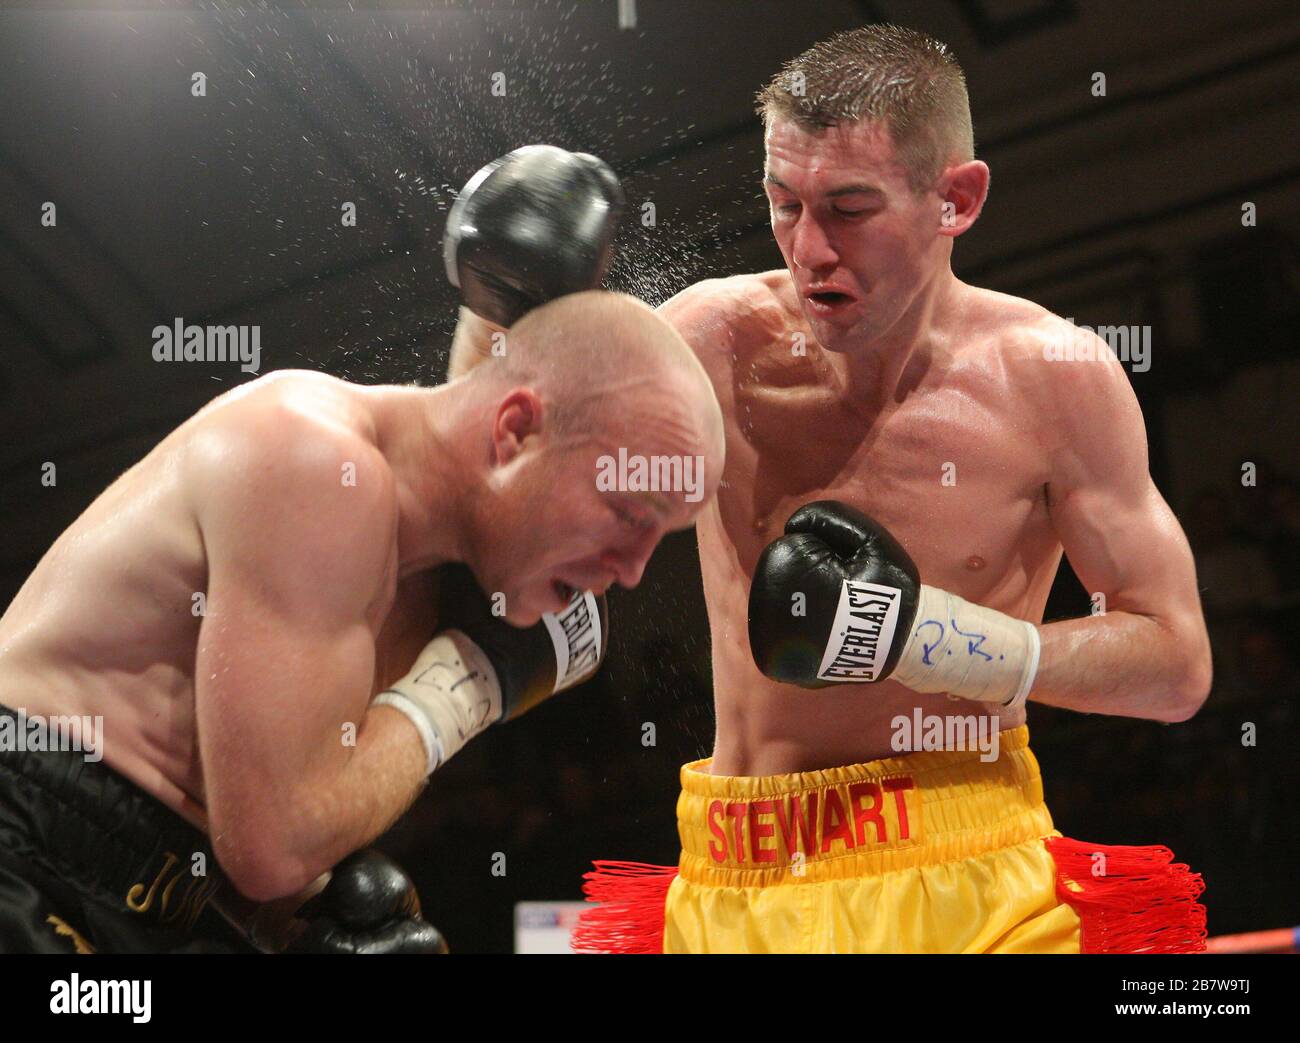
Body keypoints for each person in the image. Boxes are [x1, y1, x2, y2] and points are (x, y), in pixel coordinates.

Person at [454, 27, 1213, 954]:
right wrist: (494, 306)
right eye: (784, 204)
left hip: (976, 871)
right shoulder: (711, 346)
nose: (810, 247)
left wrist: (938, 640)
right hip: (742, 876)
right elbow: (491, 512)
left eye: (850, 207)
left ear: (956, 199)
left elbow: (1175, 665)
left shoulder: (1054, 377)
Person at [0, 146, 724, 952]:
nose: (630, 570)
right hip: (25, 842)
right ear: (516, 429)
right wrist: (468, 689)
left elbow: (247, 849)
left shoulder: (414, 582)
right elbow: (271, 843)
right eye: (630, 511)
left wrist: (300, 918)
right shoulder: (317, 462)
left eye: (660, 540)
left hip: (157, 888)